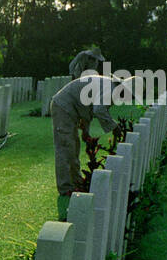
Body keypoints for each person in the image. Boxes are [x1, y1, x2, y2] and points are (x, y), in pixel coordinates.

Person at [50, 52, 123, 219]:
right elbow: (98, 110)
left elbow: (88, 108)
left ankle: (76, 181)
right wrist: (114, 127)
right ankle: (65, 187)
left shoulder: (107, 86)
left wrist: (86, 131)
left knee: (73, 147)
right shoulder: (109, 88)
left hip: (73, 109)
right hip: (63, 107)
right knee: (65, 147)